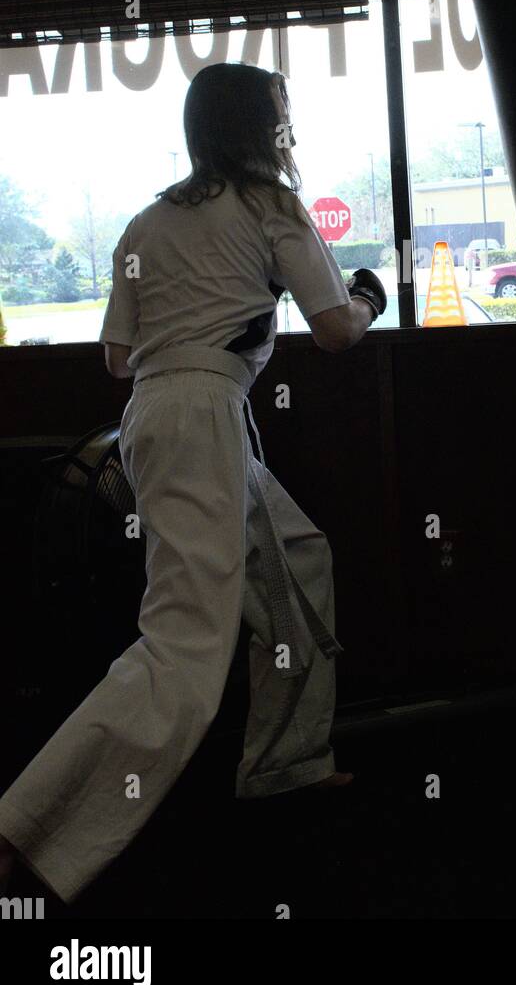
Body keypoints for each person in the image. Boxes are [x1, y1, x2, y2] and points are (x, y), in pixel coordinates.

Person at [0, 62, 387, 906]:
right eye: (282, 113)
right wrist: (366, 295)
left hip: (156, 417)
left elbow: (115, 358)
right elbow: (333, 332)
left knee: (298, 556)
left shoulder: (147, 221)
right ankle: (24, 828)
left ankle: (286, 763)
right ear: (258, 126)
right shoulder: (268, 203)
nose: (290, 127)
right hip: (203, 419)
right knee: (184, 649)